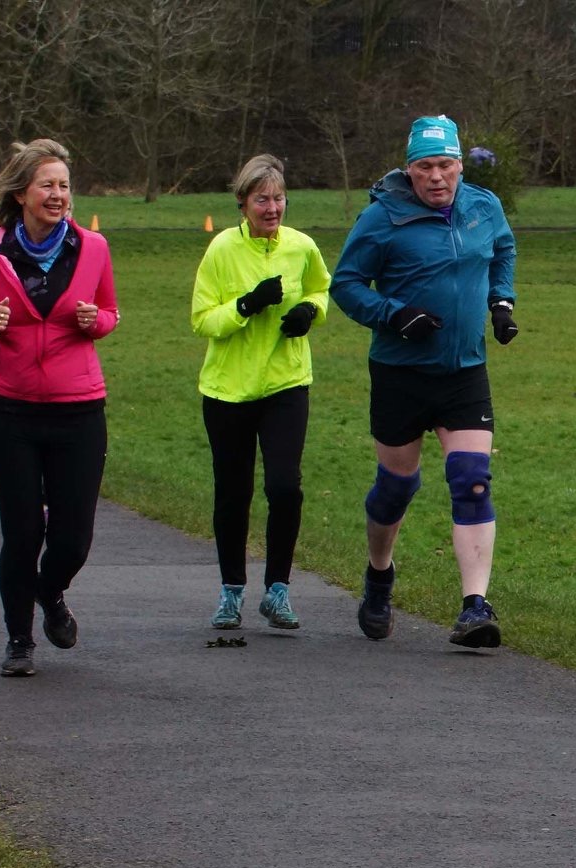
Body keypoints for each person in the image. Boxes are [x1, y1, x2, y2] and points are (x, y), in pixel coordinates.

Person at [330, 114, 517, 648]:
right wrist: (394, 314)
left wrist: (501, 302)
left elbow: (503, 250)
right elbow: (346, 284)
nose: (437, 177)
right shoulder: (382, 217)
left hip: (464, 370)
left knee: (472, 480)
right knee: (396, 488)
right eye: (425, 167)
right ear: (409, 170)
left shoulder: (483, 206)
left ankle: (475, 607)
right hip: (400, 374)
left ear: (460, 165)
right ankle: (379, 574)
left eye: (446, 165)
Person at [0, 139, 119, 677]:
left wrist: (95, 322)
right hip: (8, 411)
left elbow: (110, 312)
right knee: (22, 534)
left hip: (78, 410)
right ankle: (19, 641)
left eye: (64, 185)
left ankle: (50, 590)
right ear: (22, 194)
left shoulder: (93, 248)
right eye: (48, 185)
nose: (58, 194)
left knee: (72, 540)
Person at [190, 154, 331, 631]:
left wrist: (309, 312)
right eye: (261, 200)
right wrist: (247, 305)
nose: (272, 208)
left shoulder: (302, 246)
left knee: (285, 487)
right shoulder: (221, 250)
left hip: (285, 383)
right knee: (234, 493)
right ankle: (231, 591)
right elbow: (202, 319)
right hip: (227, 390)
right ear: (242, 204)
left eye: (278, 199)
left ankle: (278, 590)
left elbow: (321, 290)